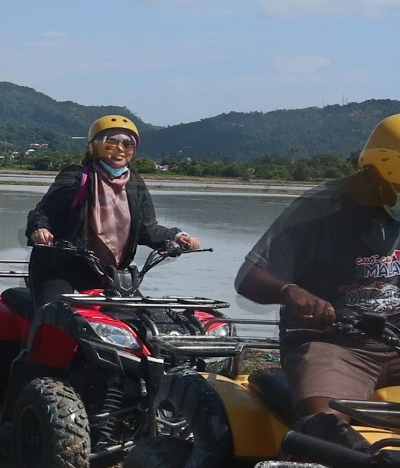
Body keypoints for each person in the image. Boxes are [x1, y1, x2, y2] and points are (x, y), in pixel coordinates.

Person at [235, 113, 400, 421]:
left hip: (394, 340)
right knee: (325, 424)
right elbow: (249, 278)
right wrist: (291, 292)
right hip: (333, 345)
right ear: (379, 175)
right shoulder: (319, 208)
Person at [25, 115, 199, 308]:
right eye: (111, 143)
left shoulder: (135, 184)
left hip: (107, 272)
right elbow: (43, 213)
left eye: (128, 144)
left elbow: (147, 230)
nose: (120, 149)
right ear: (95, 146)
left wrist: (177, 237)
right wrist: (39, 229)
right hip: (60, 267)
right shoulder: (76, 176)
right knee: (53, 316)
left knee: (141, 317)